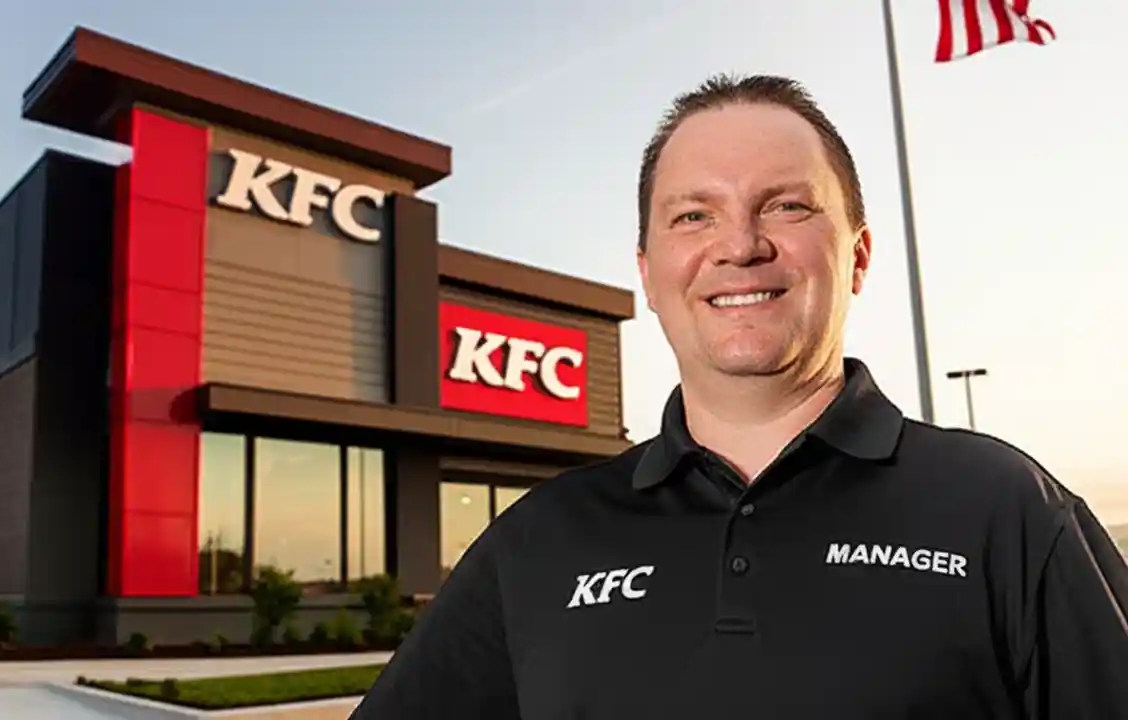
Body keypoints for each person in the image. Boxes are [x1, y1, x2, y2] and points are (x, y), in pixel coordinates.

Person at [349, 74, 1128, 719]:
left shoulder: (1007, 512)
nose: (740, 245)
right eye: (694, 215)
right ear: (649, 272)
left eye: (786, 206)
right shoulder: (536, 546)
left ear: (857, 256)